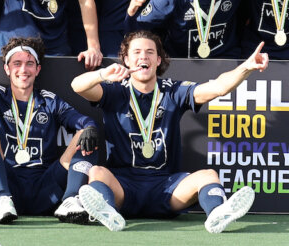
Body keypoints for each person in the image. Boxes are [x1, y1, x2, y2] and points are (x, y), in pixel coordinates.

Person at [69, 30, 261, 233]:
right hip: (123, 187)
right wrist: (102, 74)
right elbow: (77, 86)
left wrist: (246, 67)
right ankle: (107, 211)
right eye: (137, 52)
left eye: (150, 52)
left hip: (167, 187)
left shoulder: (173, 90)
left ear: (158, 60)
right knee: (97, 172)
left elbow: (219, 87)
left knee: (208, 175)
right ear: (126, 59)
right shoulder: (115, 90)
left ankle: (217, 214)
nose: (143, 56)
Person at [0, 37, 101, 224]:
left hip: (47, 189)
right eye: (17, 63)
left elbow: (82, 120)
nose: (23, 70)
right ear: (7, 69)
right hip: (9, 187)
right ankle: (1, 198)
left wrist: (90, 128)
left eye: (29, 64)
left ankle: (71, 200)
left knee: (87, 134)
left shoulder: (50, 101)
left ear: (38, 69)